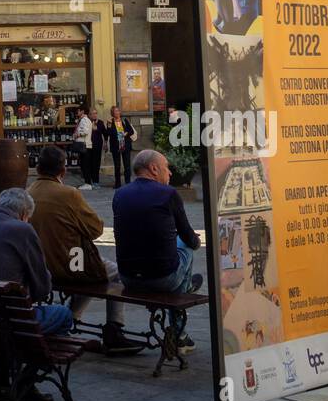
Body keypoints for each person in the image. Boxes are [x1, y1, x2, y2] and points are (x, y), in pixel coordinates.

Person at [0, 187, 73, 401]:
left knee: (13, 321)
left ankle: (1, 383)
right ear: (24, 215)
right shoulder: (22, 230)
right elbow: (43, 289)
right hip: (8, 322)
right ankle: (25, 383)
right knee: (63, 315)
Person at [28, 146, 140, 355]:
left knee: (91, 273)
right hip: (70, 262)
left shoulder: (28, 192)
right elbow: (95, 228)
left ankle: (71, 317)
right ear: (62, 171)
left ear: (38, 168)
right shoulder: (68, 193)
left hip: (41, 265)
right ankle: (114, 328)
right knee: (115, 273)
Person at [112, 148, 203, 352]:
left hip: (127, 277)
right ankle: (180, 329)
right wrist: (195, 242)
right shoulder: (168, 194)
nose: (170, 173)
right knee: (186, 245)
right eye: (166, 168)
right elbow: (188, 236)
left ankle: (185, 289)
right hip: (162, 278)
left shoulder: (120, 194)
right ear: (153, 169)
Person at [72, 105, 104, 188]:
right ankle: (88, 182)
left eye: (78, 111)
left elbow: (85, 131)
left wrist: (77, 134)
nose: (77, 113)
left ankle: (88, 183)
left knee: (87, 165)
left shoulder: (85, 120)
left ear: (82, 111)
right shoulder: (84, 120)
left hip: (86, 145)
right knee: (85, 164)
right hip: (87, 145)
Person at [106, 105, 136, 187]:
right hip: (116, 146)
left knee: (127, 165)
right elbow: (108, 134)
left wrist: (125, 133)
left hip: (125, 145)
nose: (117, 112)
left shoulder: (124, 120)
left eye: (118, 111)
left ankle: (128, 182)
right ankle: (118, 183)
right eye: (115, 111)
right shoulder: (110, 122)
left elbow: (131, 131)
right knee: (117, 165)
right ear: (112, 113)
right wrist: (108, 125)